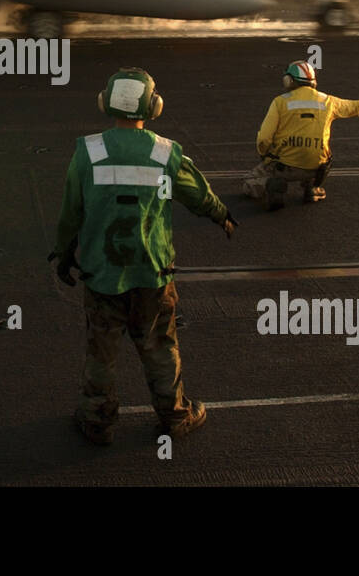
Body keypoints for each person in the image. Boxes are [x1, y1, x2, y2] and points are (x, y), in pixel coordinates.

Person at [50, 67, 237, 446]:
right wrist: (221, 214)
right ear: (153, 107)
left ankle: (96, 421)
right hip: (152, 275)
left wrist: (64, 251)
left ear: (106, 102)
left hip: (102, 275)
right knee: (160, 347)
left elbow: (72, 210)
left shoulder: (89, 151)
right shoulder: (163, 151)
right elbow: (196, 194)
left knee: (101, 351)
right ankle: (175, 416)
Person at [242, 60, 359, 209]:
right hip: (316, 167)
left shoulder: (280, 102)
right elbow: (358, 106)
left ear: (289, 81)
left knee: (249, 182)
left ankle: (272, 186)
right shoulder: (328, 101)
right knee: (323, 152)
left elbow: (264, 138)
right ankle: (313, 188)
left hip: (284, 167)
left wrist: (264, 155)